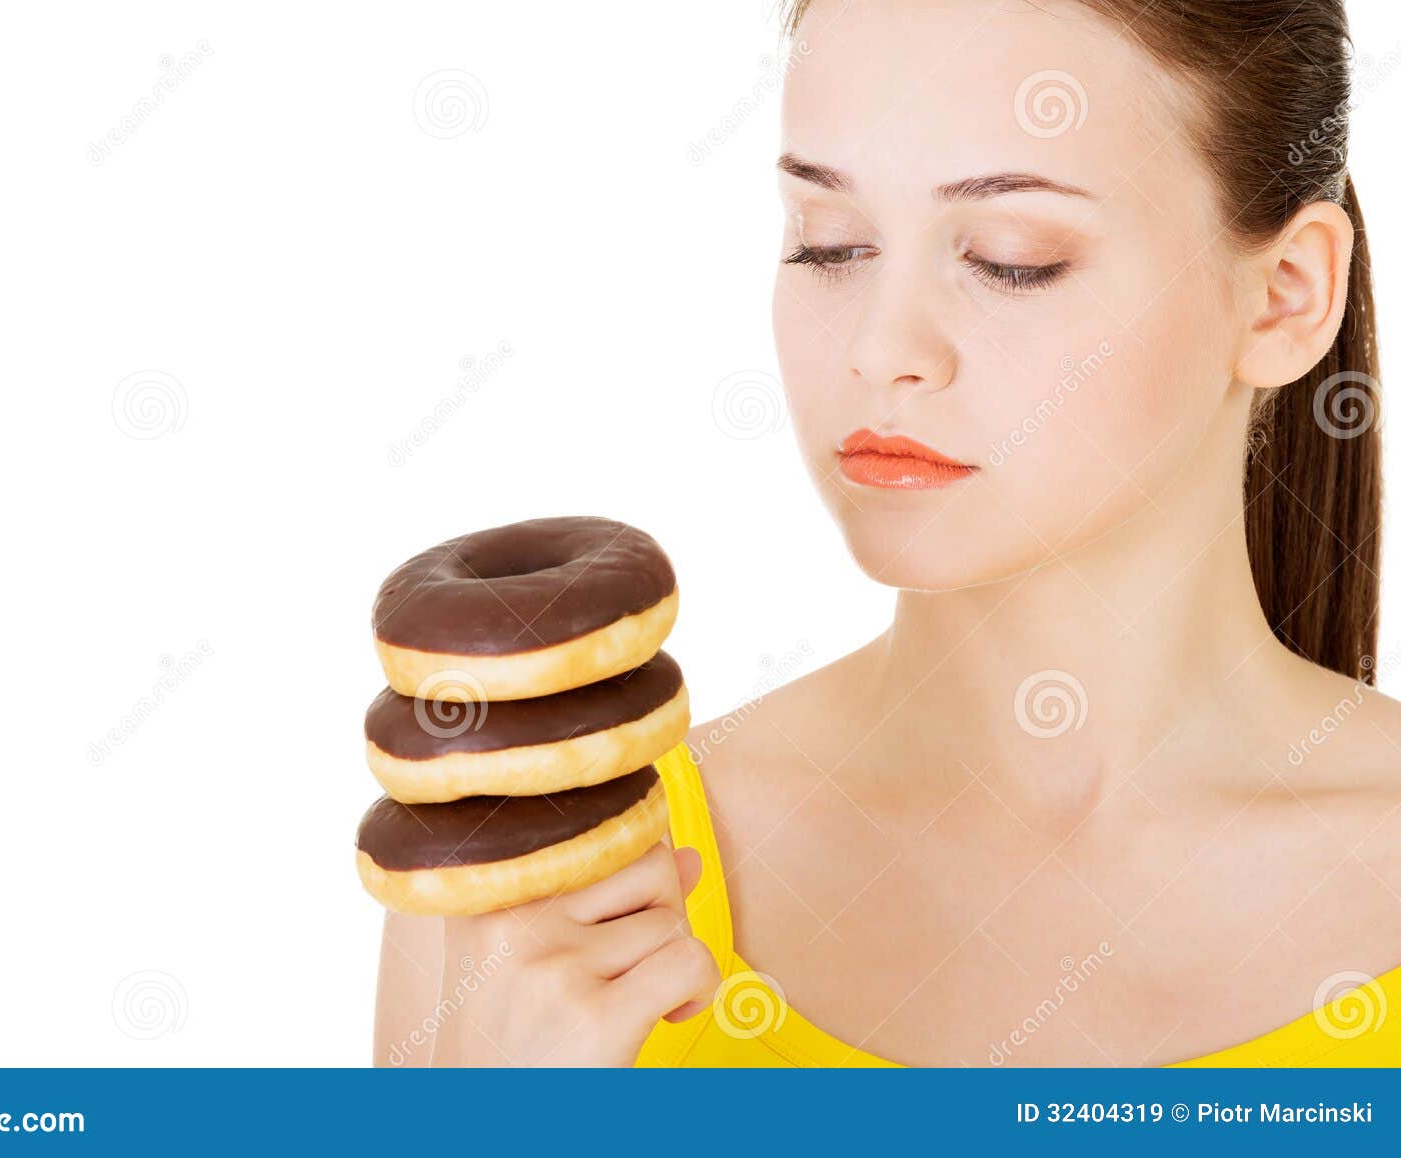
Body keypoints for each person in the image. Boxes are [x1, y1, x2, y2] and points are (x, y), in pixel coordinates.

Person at [375, 0, 1400, 1067]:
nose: (880, 348)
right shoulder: (547, 883)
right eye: (830, 245)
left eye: (1011, 258)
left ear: (1285, 296)